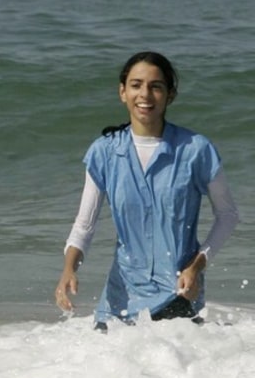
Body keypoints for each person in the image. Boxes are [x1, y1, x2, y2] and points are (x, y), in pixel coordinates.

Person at [54, 51, 239, 329]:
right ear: (122, 92)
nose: (145, 94)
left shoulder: (195, 150)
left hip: (176, 294)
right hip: (119, 300)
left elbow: (228, 215)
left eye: (156, 86)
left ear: (170, 95)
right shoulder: (104, 152)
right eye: (136, 85)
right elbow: (85, 224)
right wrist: (68, 270)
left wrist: (196, 267)